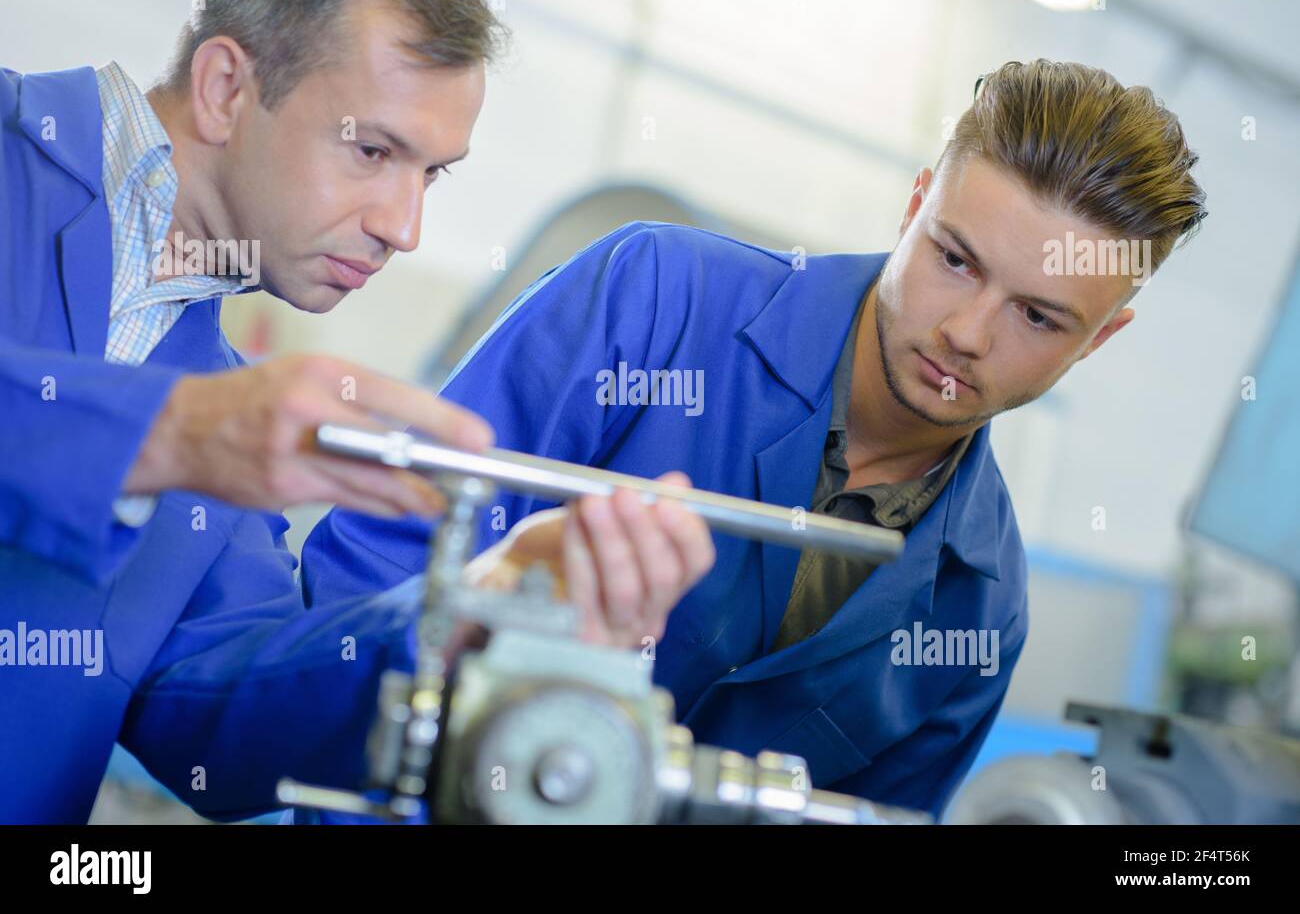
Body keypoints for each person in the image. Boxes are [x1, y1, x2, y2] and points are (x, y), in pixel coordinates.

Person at [303, 60, 1208, 817]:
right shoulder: (653, 300)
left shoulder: (982, 606)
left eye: (1038, 316)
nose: (967, 332)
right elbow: (370, 565)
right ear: (916, 205)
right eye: (955, 259)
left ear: (1098, 340)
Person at [0, 0, 714, 823]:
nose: (402, 228)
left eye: (431, 173)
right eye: (372, 149)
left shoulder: (225, 419)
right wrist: (170, 436)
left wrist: (470, 614)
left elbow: (215, 727)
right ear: (226, 88)